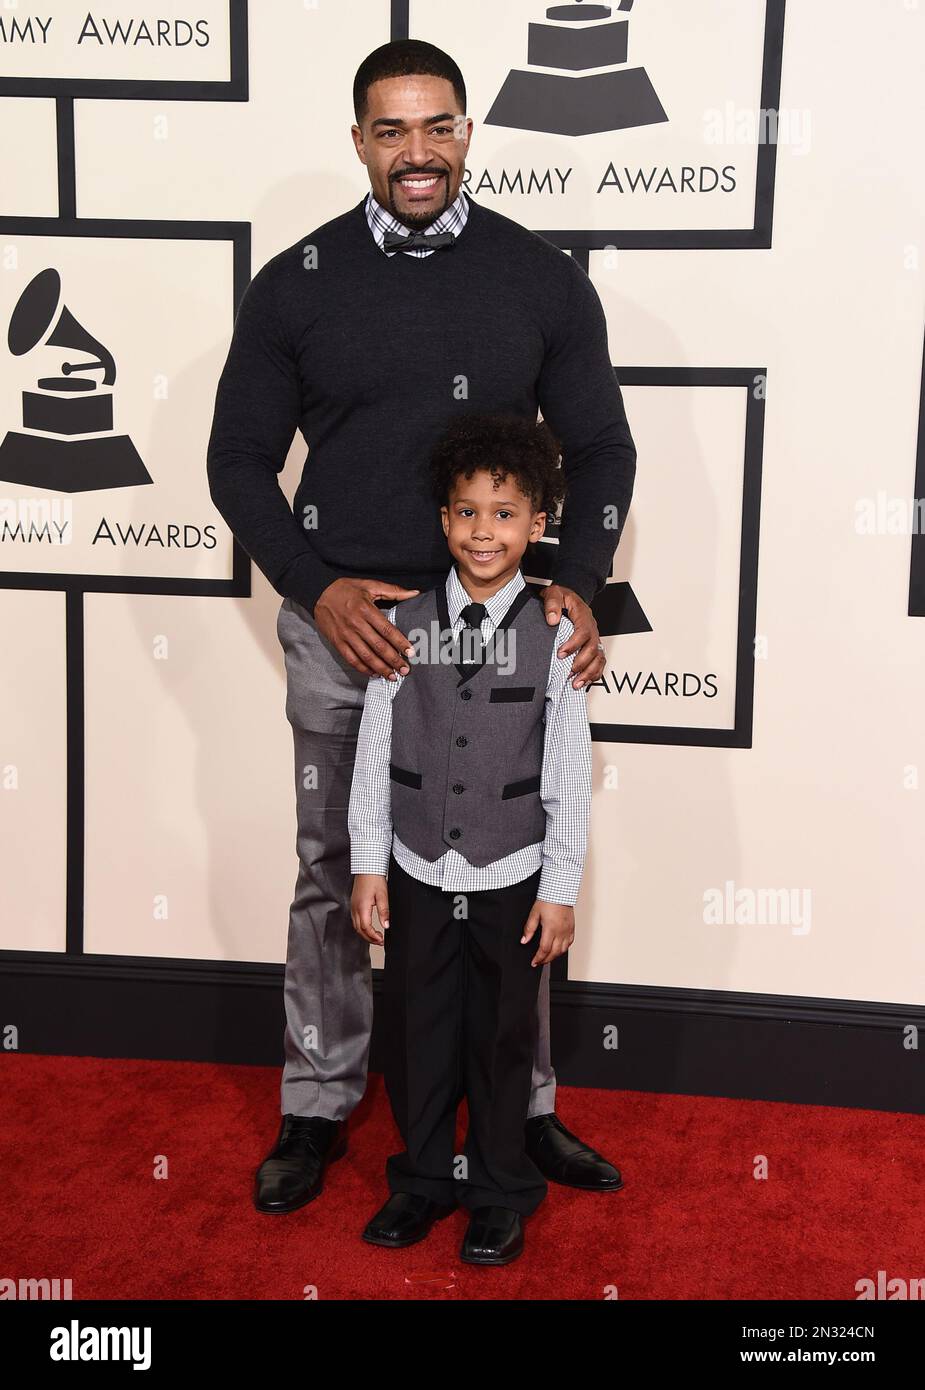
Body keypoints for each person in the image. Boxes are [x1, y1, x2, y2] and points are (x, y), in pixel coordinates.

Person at [205, 38, 636, 1216]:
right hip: (347, 626)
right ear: (357, 141)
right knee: (331, 867)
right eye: (390, 130)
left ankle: (522, 1105)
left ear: (467, 134)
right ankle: (319, 1097)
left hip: (497, 630)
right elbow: (236, 460)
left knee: (504, 875)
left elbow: (601, 445)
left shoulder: (539, 279)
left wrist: (580, 581)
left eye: (436, 126)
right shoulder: (294, 283)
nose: (415, 151)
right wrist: (313, 583)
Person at [349, 414, 594, 1265]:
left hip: (512, 872)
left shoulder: (559, 634)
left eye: (502, 513)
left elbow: (566, 768)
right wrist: (366, 866)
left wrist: (559, 886)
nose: (481, 531)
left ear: (536, 525)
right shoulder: (400, 621)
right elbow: (373, 755)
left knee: (500, 1039)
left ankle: (499, 1190)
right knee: (418, 1031)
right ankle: (419, 1180)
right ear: (442, 520)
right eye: (464, 512)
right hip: (415, 866)